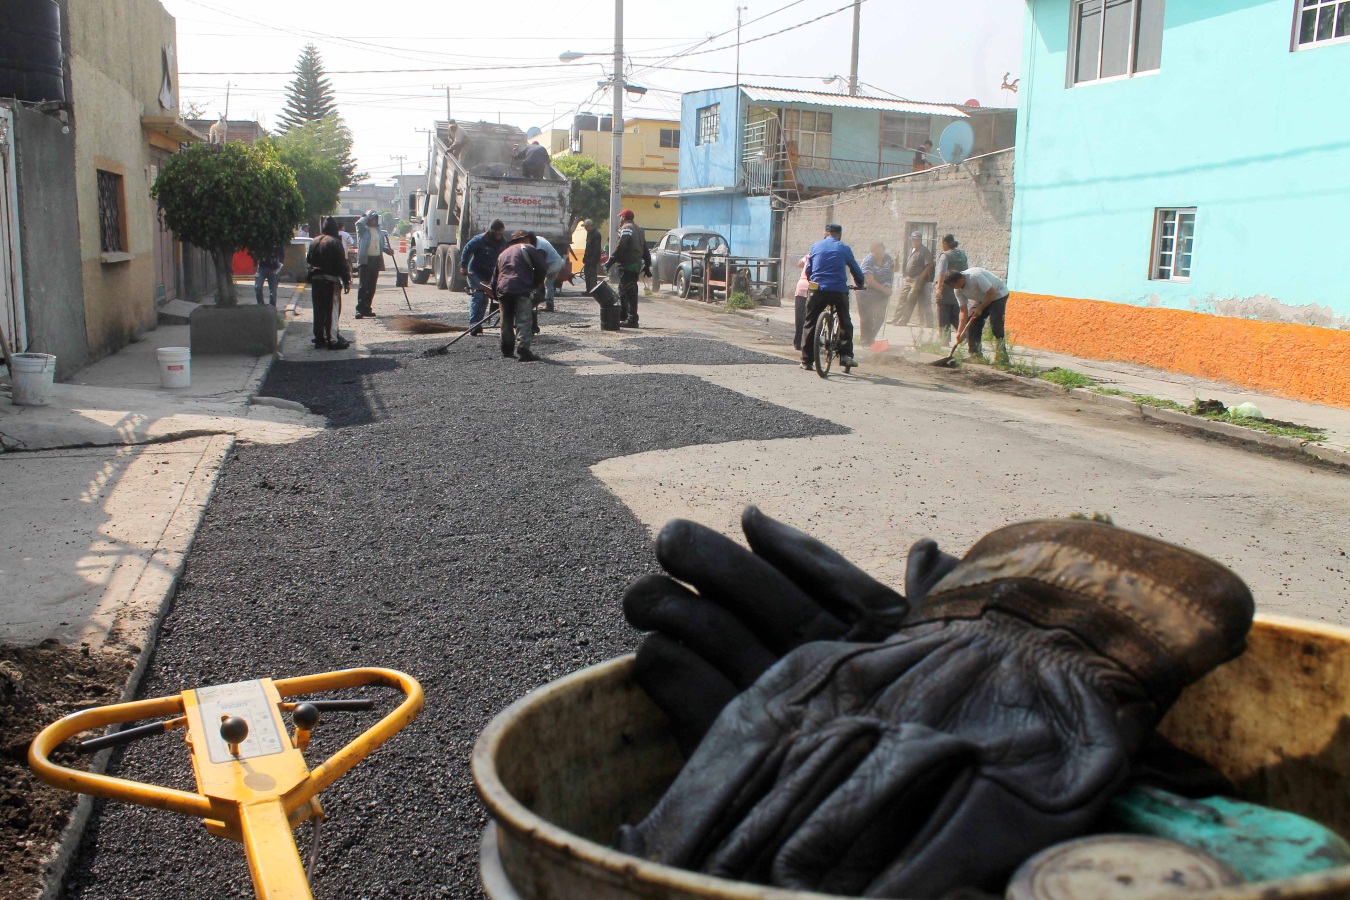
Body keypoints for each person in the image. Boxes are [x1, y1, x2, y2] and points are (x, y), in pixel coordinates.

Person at [802, 223, 864, 370]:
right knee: (845, 321)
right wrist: (860, 284)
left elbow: (808, 271)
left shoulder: (815, 247)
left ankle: (806, 361)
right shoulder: (844, 248)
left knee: (810, 321)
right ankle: (846, 357)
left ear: (825, 234)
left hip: (817, 290)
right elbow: (856, 269)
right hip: (838, 290)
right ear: (839, 235)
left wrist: (814, 280)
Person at [492, 230, 547, 361]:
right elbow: (542, 267)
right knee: (523, 318)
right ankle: (523, 349)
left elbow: (495, 277)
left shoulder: (503, 254)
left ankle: (507, 349)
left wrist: (496, 295)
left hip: (503, 289)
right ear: (526, 239)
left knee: (506, 320)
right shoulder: (528, 248)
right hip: (521, 287)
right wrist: (537, 283)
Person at [945, 266, 1010, 364]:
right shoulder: (957, 290)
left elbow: (992, 293)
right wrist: (959, 331)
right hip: (982, 298)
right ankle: (975, 355)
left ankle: (1002, 357)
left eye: (954, 285)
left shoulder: (975, 276)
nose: (954, 288)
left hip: (998, 295)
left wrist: (980, 308)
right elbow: (963, 311)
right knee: (973, 322)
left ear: (960, 279)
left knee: (996, 325)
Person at [305, 218, 351, 350]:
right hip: (330, 281)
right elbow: (342, 264)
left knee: (318, 310)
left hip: (315, 280)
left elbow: (309, 260)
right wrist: (346, 281)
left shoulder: (314, 241)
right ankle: (333, 340)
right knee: (332, 310)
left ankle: (319, 339)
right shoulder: (335, 243)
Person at [606, 209, 651, 328]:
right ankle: (624, 316)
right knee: (628, 290)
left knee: (626, 291)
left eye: (621, 217)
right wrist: (647, 265)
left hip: (627, 265)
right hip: (636, 265)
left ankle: (631, 319)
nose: (620, 219)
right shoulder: (639, 230)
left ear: (624, 217)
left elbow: (621, 247)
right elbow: (645, 249)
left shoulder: (626, 229)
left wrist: (609, 262)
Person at [460, 220, 506, 335]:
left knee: (489, 296)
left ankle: (483, 322)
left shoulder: (503, 242)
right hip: (476, 272)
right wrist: (464, 266)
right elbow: (467, 250)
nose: (498, 236)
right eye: (497, 233)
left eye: (500, 233)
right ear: (491, 231)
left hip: (491, 274)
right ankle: (474, 323)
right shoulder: (479, 240)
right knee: (479, 295)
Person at [890, 231, 934, 329]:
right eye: (913, 239)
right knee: (902, 298)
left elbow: (929, 265)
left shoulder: (924, 251)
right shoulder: (912, 250)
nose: (914, 241)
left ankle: (904, 320)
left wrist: (921, 277)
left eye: (916, 239)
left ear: (920, 240)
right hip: (909, 278)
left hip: (917, 279)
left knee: (910, 299)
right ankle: (896, 317)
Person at [857, 241, 894, 347]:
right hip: (865, 292)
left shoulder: (888, 259)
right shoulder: (868, 261)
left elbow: (891, 272)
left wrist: (888, 288)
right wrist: (884, 289)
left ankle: (871, 338)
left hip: (881, 293)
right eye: (876, 253)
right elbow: (870, 280)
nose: (879, 255)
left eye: (880, 252)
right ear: (872, 252)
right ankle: (865, 341)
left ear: (884, 250)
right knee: (866, 317)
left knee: (880, 317)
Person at [933, 234, 969, 343]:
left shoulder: (945, 255)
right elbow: (966, 270)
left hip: (947, 289)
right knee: (955, 315)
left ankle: (944, 340)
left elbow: (941, 273)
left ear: (944, 243)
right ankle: (967, 336)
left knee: (943, 315)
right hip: (959, 288)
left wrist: (939, 288)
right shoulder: (962, 254)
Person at [354, 211, 386, 318]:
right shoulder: (363, 230)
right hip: (365, 261)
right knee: (364, 285)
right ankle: (359, 309)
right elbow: (358, 224)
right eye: (371, 219)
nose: (373, 221)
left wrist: (387, 250)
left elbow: (380, 245)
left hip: (376, 260)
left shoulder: (378, 231)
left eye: (375, 219)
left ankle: (367, 308)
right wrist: (365, 216)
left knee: (372, 286)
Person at [534, 234, 565, 313]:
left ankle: (548, 305)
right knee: (548, 283)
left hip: (554, 265)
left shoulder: (540, 247)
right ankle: (549, 304)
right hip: (557, 262)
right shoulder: (539, 239)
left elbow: (540, 264)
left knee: (546, 283)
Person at [792, 254, 810, 351]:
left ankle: (797, 343)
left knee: (800, 318)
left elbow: (799, 263)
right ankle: (810, 343)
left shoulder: (810, 254)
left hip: (801, 286)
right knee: (812, 317)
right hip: (814, 287)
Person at [582, 219, 602, 292]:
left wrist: (593, 260)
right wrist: (585, 257)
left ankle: (592, 291)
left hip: (592, 259)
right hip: (588, 259)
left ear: (589, 226)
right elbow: (588, 247)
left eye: (586, 226)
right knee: (587, 275)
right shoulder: (589, 234)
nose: (585, 228)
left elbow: (596, 249)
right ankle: (588, 290)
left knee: (592, 275)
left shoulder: (596, 234)